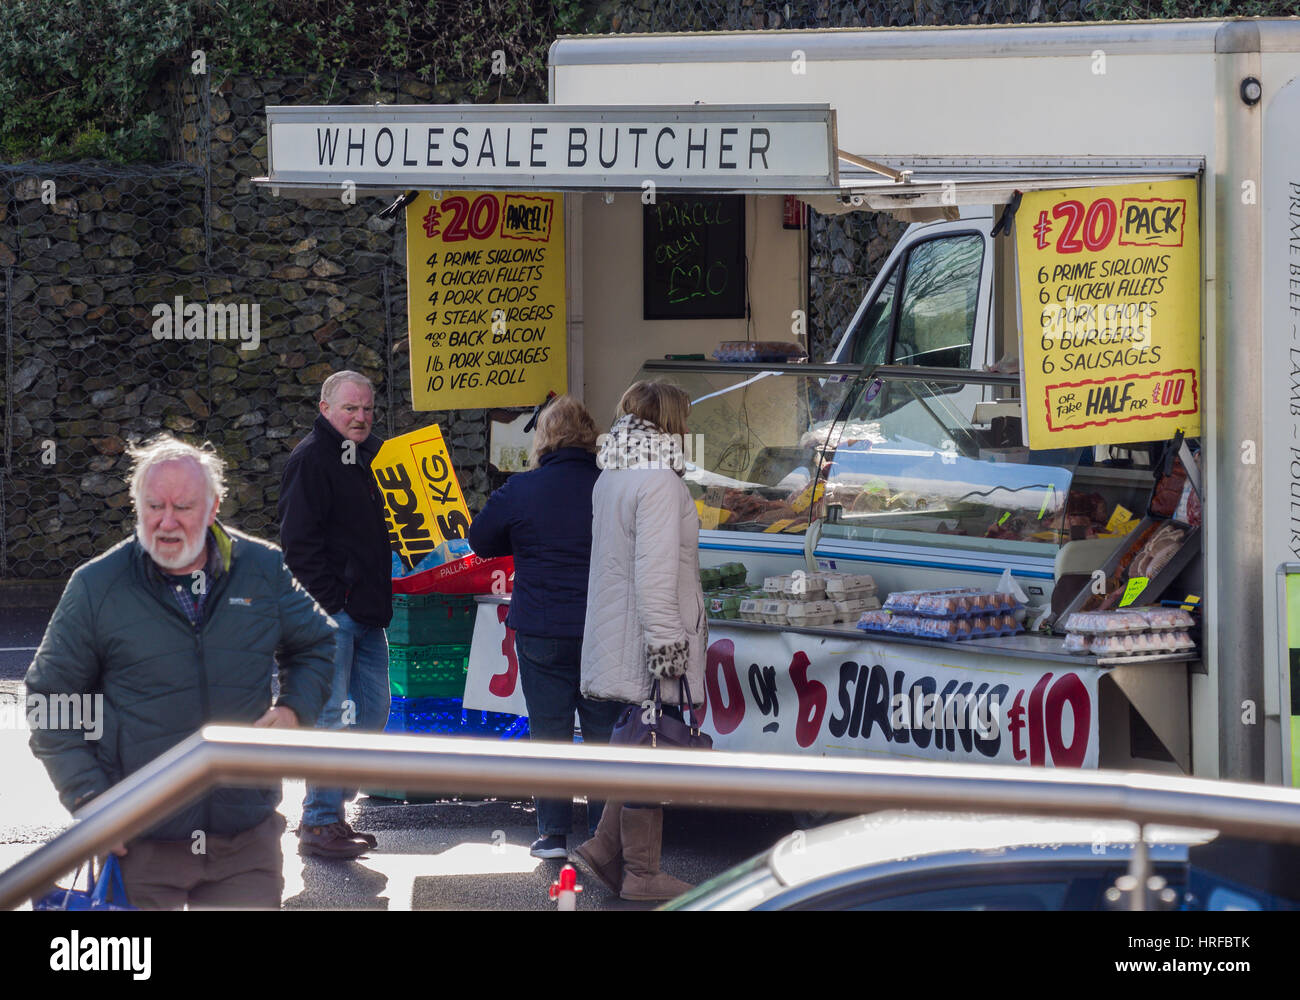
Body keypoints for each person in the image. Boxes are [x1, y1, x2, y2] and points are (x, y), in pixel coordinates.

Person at [26, 436, 335, 909]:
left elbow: (316, 642)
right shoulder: (96, 586)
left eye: (183, 507)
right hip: (142, 844)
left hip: (245, 840)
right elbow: (51, 699)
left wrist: (295, 708)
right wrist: (89, 799)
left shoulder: (262, 567)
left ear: (213, 509)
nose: (166, 522)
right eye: (153, 506)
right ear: (136, 506)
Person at [468, 395, 623, 860]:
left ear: (545, 437)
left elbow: (480, 541)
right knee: (603, 734)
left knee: (549, 732)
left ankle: (552, 835)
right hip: (601, 628)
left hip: (540, 628)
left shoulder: (522, 489)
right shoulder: (611, 487)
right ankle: (602, 837)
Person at [573, 381, 706, 901]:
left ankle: (604, 847)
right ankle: (642, 874)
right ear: (671, 421)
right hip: (648, 638)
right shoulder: (660, 482)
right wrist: (669, 650)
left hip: (616, 630)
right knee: (652, 747)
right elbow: (654, 576)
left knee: (636, 743)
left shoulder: (614, 475)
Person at [279, 370, 393, 859]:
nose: (361, 417)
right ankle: (319, 821)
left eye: (367, 408)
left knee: (372, 714)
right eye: (351, 408)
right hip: (336, 615)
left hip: (369, 613)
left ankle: (333, 813)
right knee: (332, 720)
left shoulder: (371, 457)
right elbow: (298, 546)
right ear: (325, 408)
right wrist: (336, 602)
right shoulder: (311, 459)